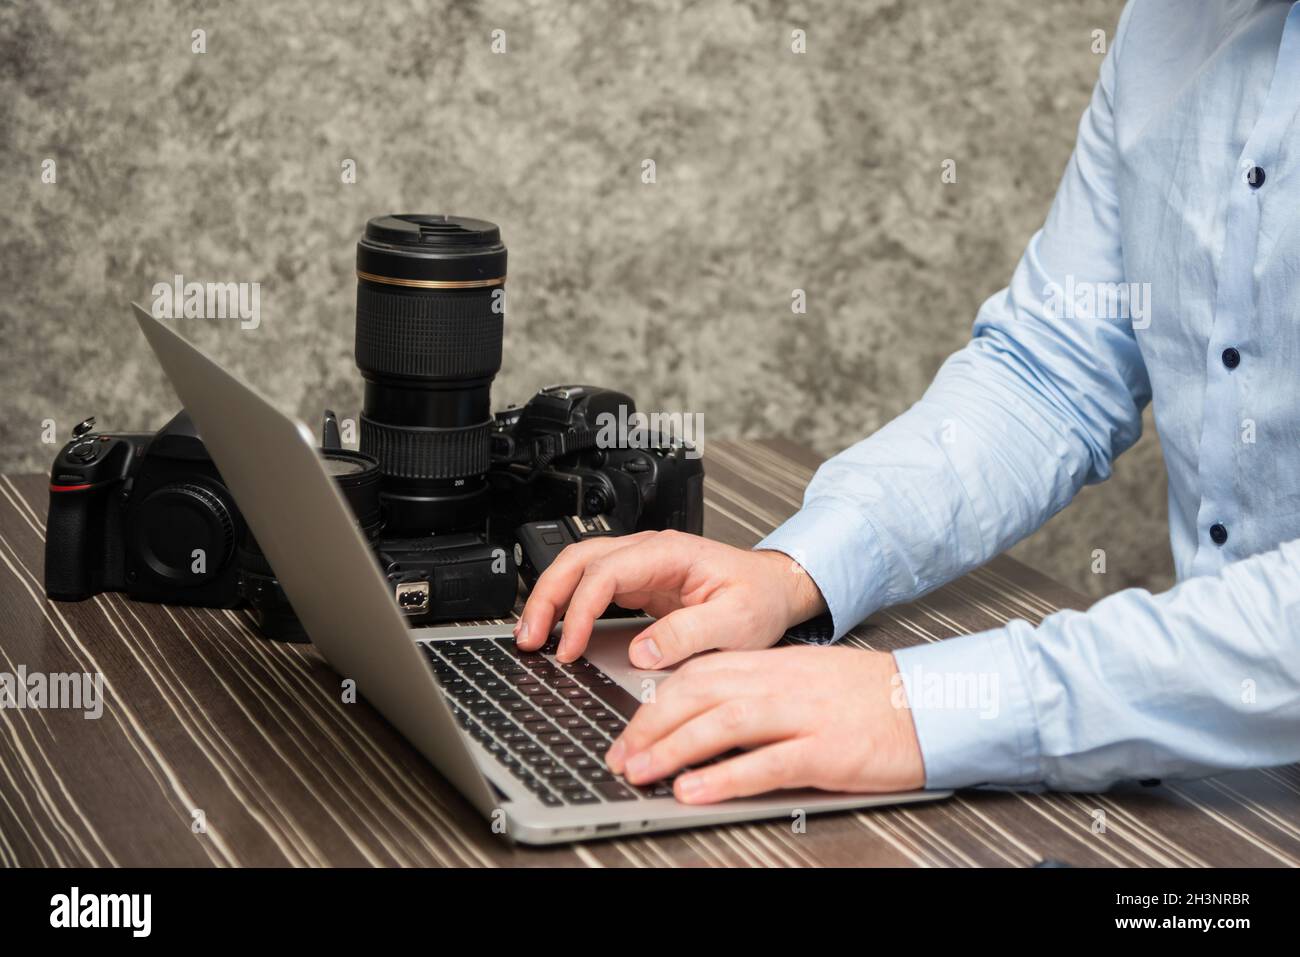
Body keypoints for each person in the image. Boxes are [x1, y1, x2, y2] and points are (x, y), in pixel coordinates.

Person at [517, 0, 1300, 804]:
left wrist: (928, 707)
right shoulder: (1168, 23)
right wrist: (797, 572)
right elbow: (1050, 371)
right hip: (1213, 797)